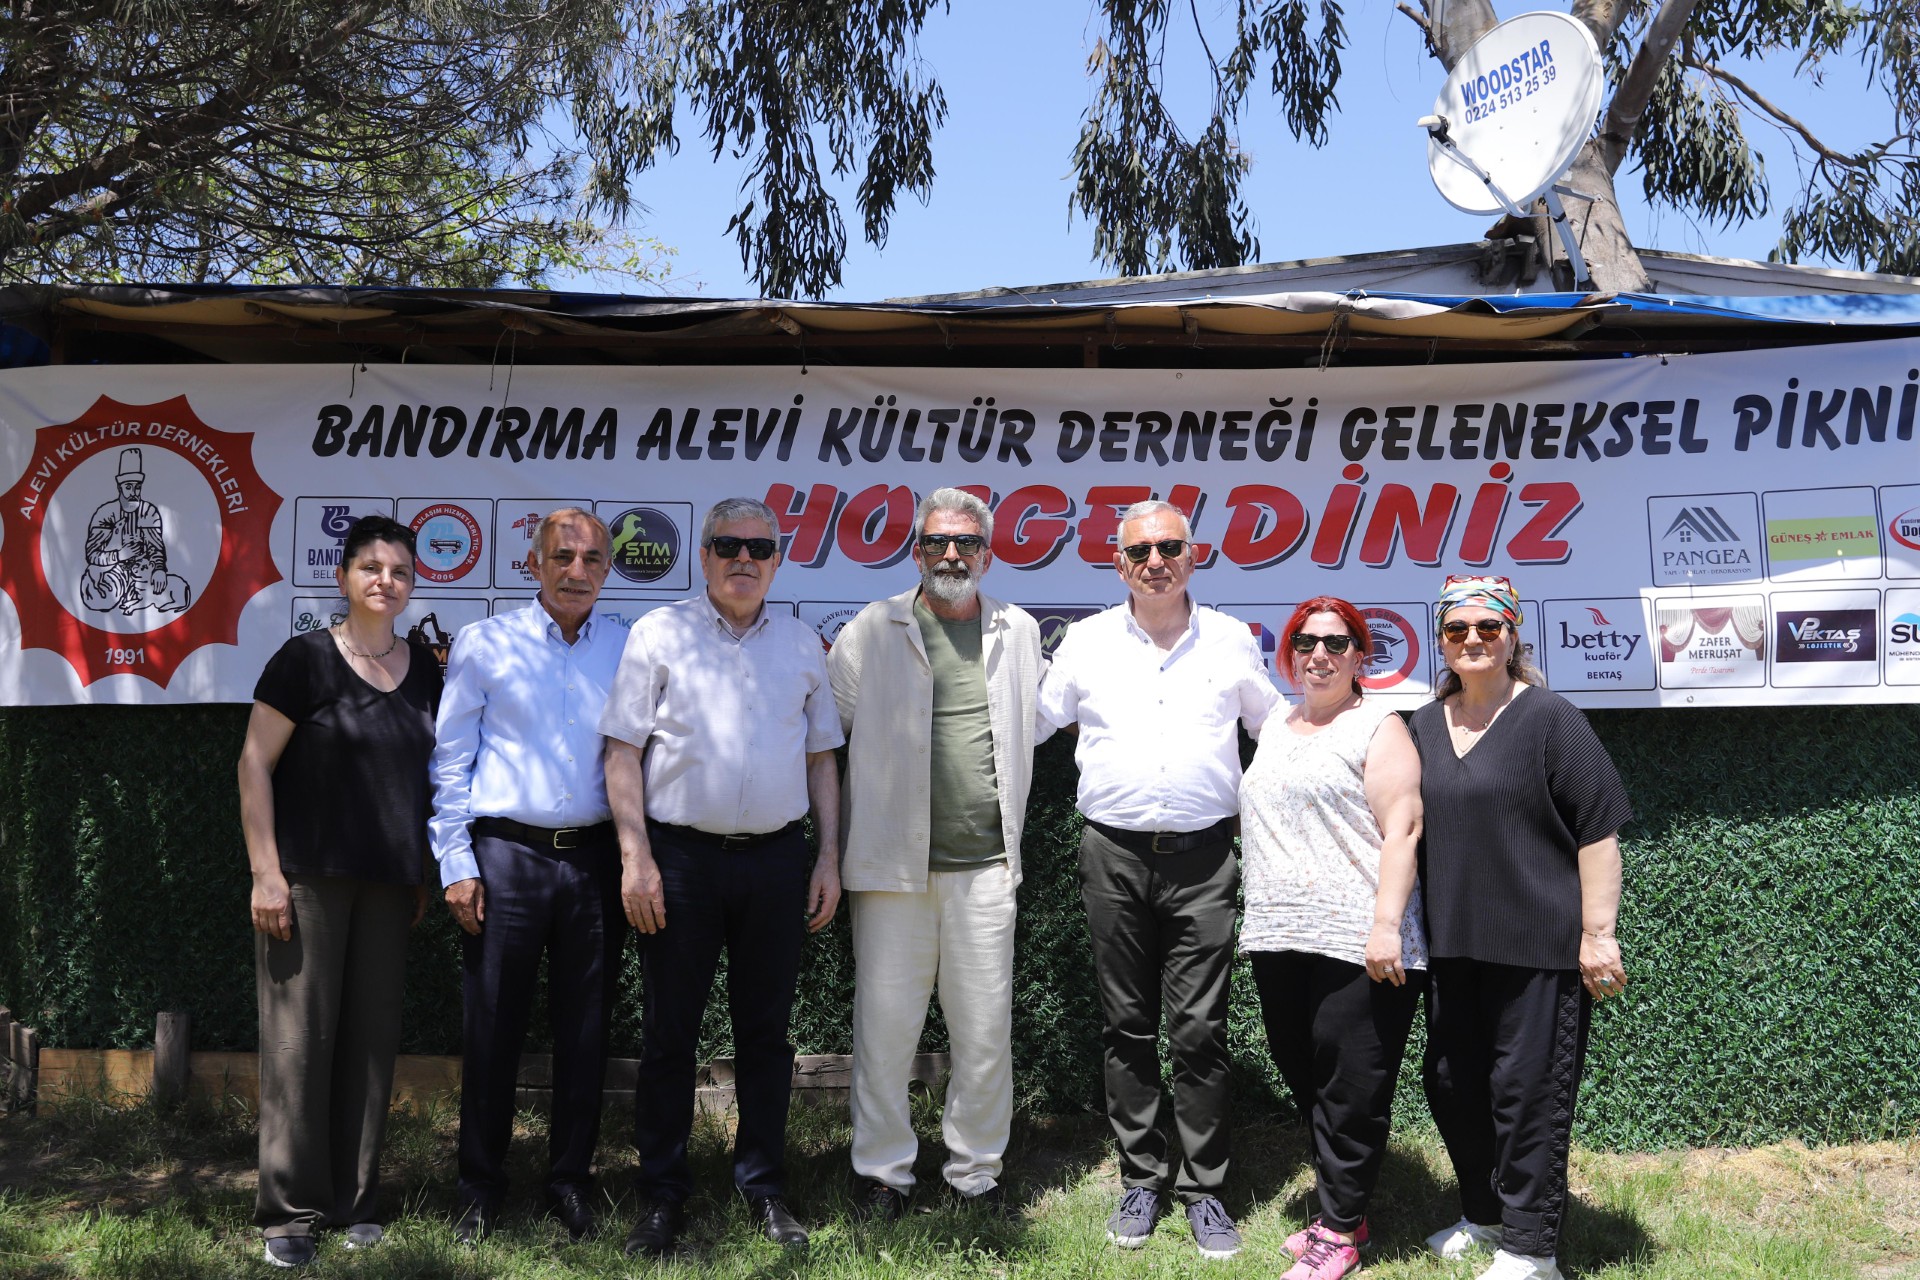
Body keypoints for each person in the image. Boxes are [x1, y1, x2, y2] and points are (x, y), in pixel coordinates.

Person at [1036, 499, 1280, 1260]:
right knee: (1127, 1025)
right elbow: (1032, 722)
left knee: (1201, 1029)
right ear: (1118, 563)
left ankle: (1205, 1190)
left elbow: (1273, 730)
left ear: (1193, 554)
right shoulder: (1084, 642)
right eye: (1139, 551)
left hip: (1207, 857)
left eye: (1169, 547)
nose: (1155, 561)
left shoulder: (1233, 640)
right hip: (1113, 852)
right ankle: (1143, 1176)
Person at [601, 496, 844, 1257]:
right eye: (728, 545)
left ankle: (764, 1188)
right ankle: (662, 1195)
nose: (745, 557)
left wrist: (827, 855)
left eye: (759, 547)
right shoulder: (658, 633)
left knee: (766, 1036)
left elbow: (821, 761)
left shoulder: (805, 644)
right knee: (670, 1036)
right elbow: (621, 753)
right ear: (702, 557)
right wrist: (636, 856)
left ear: (777, 559)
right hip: (681, 860)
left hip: (775, 860)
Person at [828, 487, 1052, 1221]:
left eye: (964, 543)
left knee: (985, 1034)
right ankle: (884, 1174)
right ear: (915, 552)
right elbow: (828, 741)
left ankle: (976, 1176)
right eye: (935, 543)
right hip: (890, 872)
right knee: (885, 1033)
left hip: (987, 868)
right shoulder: (870, 628)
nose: (950, 555)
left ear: (988, 553)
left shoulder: (1017, 630)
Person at [1409, 575, 1632, 1280]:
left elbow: (1599, 830)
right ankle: (1485, 1214)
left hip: (1538, 947)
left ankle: (1533, 1250)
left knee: (1528, 1094)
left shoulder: (1549, 718)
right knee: (1450, 1082)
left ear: (1513, 635)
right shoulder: (1420, 725)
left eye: (1488, 628)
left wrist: (1598, 935)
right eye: (1457, 630)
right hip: (1451, 946)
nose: (1472, 640)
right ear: (1440, 640)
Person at [237, 514, 442, 1268]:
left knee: (369, 1046)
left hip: (391, 887)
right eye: (371, 568)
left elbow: (420, 782)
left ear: (413, 584)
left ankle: (359, 1202)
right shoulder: (306, 661)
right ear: (344, 577)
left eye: (398, 570)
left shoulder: (425, 669)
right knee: (298, 1047)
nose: (385, 580)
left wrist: (418, 869)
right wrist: (266, 871)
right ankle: (287, 1214)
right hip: (308, 883)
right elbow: (254, 764)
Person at [429, 507, 627, 1245]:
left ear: (608, 569)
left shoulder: (628, 648)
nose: (578, 571)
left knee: (586, 1032)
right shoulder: (485, 644)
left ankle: (570, 1182)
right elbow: (450, 761)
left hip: (595, 860)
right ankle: (480, 1189)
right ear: (535, 565)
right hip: (504, 857)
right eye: (563, 557)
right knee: (492, 1030)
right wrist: (456, 862)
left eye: (593, 560)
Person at [1238, 596, 1425, 1280]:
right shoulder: (1278, 727)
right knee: (1305, 1072)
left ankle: (1341, 1231)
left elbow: (1403, 828)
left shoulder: (1380, 725)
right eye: (1307, 642)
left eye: (1337, 643)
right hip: (1280, 934)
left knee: (1351, 1087)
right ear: (1289, 653)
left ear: (1359, 656)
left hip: (1358, 939)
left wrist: (1384, 928)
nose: (1320, 655)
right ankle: (1339, 1207)